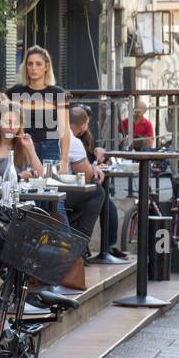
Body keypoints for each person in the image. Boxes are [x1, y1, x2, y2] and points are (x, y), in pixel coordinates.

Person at [7, 46, 71, 172]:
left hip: (50, 147)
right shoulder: (15, 91)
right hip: (23, 147)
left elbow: (65, 130)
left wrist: (64, 160)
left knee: (51, 186)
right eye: (30, 64)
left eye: (38, 64)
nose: (33, 68)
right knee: (24, 186)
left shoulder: (58, 93)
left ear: (46, 67)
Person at [64, 106, 108, 251]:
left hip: (48, 186)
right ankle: (80, 244)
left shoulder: (55, 134)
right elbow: (86, 176)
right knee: (98, 192)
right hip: (61, 189)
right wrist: (93, 168)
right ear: (83, 126)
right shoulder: (72, 140)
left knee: (105, 203)